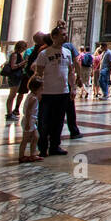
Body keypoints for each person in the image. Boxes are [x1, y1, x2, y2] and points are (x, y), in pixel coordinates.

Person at [33, 28, 78, 157]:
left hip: (63, 91)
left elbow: (70, 72)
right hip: (47, 92)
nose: (65, 36)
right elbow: (39, 73)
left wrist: (73, 87)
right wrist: (38, 91)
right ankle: (42, 147)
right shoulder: (44, 54)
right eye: (62, 34)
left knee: (58, 120)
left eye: (65, 34)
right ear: (54, 36)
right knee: (44, 121)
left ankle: (55, 145)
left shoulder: (67, 52)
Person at [18, 75, 42, 163]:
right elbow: (28, 111)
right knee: (25, 139)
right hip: (29, 121)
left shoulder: (32, 96)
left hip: (32, 121)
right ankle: (21, 155)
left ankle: (33, 154)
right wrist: (28, 123)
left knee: (36, 137)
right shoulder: (33, 98)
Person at [4, 41, 27, 119]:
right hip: (14, 77)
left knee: (13, 95)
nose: (24, 49)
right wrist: (23, 62)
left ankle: (10, 112)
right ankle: (9, 113)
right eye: (24, 47)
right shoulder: (15, 55)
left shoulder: (18, 55)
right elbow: (13, 66)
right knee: (12, 95)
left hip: (16, 76)